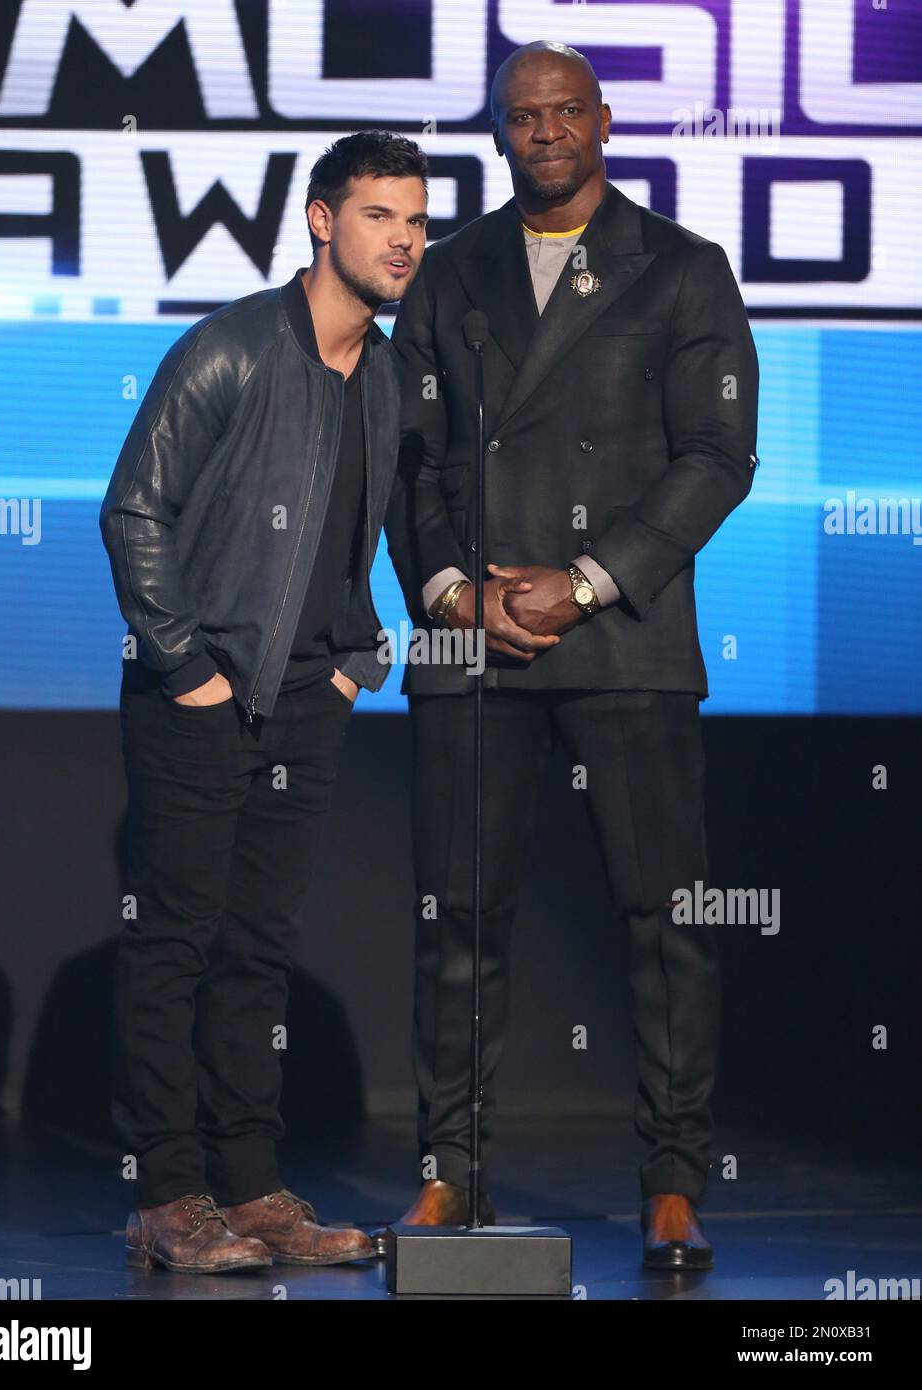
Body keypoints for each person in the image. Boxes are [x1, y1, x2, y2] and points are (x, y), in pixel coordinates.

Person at [379, 42, 759, 1270]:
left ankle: (670, 1181)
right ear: (500, 133)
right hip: (473, 636)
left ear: (603, 121)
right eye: (520, 115)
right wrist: (449, 588)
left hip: (625, 634)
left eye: (562, 110)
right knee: (458, 921)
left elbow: (716, 458)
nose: (542, 130)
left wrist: (588, 579)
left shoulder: (683, 271)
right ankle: (451, 1175)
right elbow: (409, 458)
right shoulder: (448, 274)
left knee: (665, 920)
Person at [99, 131, 428, 1273]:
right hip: (198, 697)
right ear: (322, 222)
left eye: (417, 220)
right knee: (175, 945)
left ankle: (248, 1187)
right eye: (380, 214)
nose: (403, 239)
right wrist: (187, 665)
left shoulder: (387, 376)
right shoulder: (230, 348)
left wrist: (357, 660)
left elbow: (368, 541)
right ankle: (165, 1194)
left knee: (258, 951)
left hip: (310, 698)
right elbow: (133, 510)